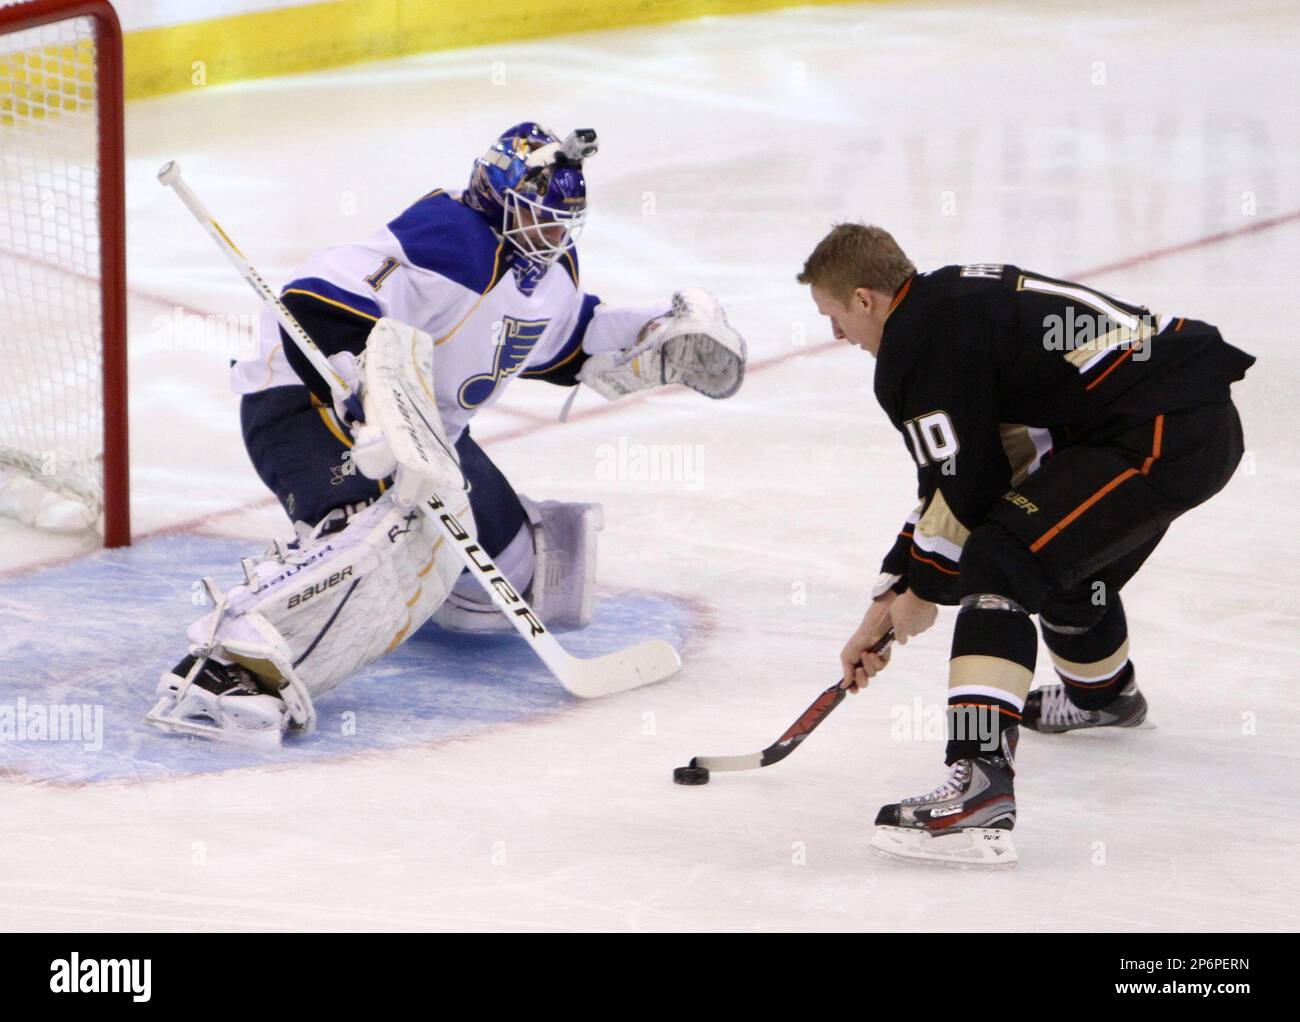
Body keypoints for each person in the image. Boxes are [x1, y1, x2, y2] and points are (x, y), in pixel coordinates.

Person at [146, 122, 746, 742]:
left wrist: (653, 332)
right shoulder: (450, 239)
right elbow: (313, 300)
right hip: (306, 404)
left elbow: (566, 343)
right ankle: (226, 666)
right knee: (390, 537)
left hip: (425, 433)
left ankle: (393, 587)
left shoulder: (552, 270)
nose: (551, 235)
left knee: (514, 581)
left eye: (562, 223)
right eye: (538, 218)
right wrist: (361, 386)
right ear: (496, 198)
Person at [797, 223, 1253, 868]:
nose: (837, 335)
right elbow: (972, 475)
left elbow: (968, 484)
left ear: (865, 299)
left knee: (1000, 565)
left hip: (1158, 434)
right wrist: (889, 593)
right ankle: (1103, 697)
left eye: (835, 315)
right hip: (1177, 423)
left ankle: (978, 791)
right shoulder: (950, 301)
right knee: (1052, 563)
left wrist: (925, 591)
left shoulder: (918, 348)